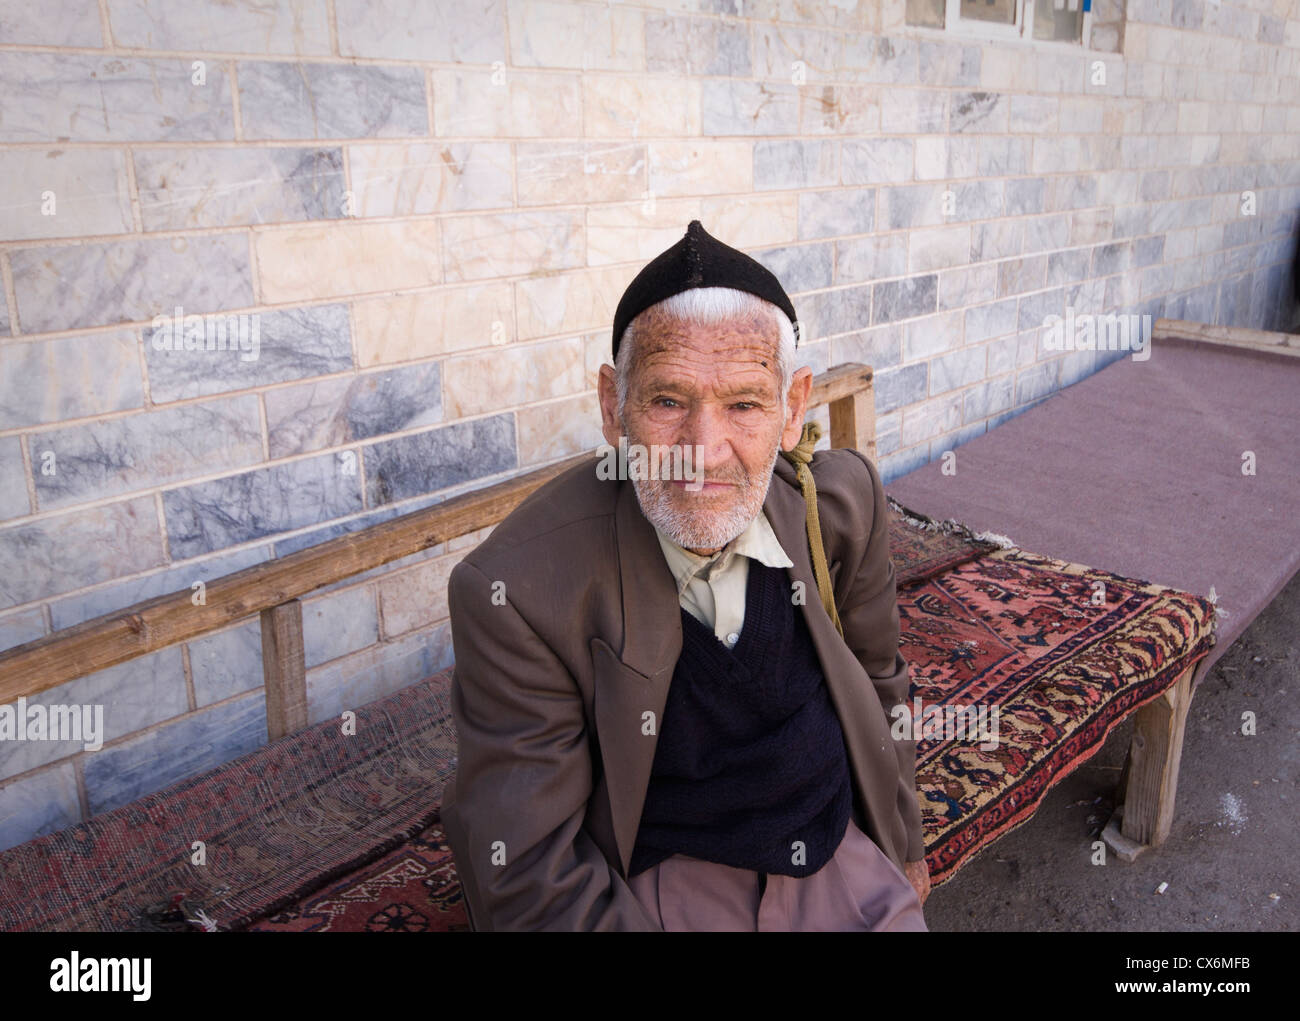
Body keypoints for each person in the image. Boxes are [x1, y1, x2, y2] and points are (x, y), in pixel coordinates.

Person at [441, 221, 929, 931]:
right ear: (614, 407)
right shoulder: (516, 592)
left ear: (793, 409)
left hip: (839, 854)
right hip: (659, 885)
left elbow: (881, 674)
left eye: (743, 404)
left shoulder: (842, 506)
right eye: (668, 401)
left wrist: (904, 841)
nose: (703, 451)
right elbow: (526, 877)